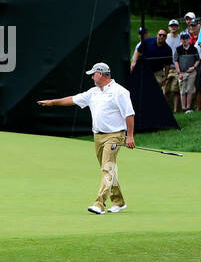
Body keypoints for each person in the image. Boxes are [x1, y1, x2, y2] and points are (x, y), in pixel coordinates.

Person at [37, 62, 135, 214]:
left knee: (107, 168)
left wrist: (130, 136)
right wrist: (53, 103)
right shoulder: (93, 92)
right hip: (98, 136)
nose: (91, 77)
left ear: (100, 74)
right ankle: (119, 201)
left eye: (93, 74)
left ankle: (99, 203)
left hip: (115, 135)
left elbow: (129, 114)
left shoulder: (119, 92)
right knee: (108, 169)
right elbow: (73, 99)